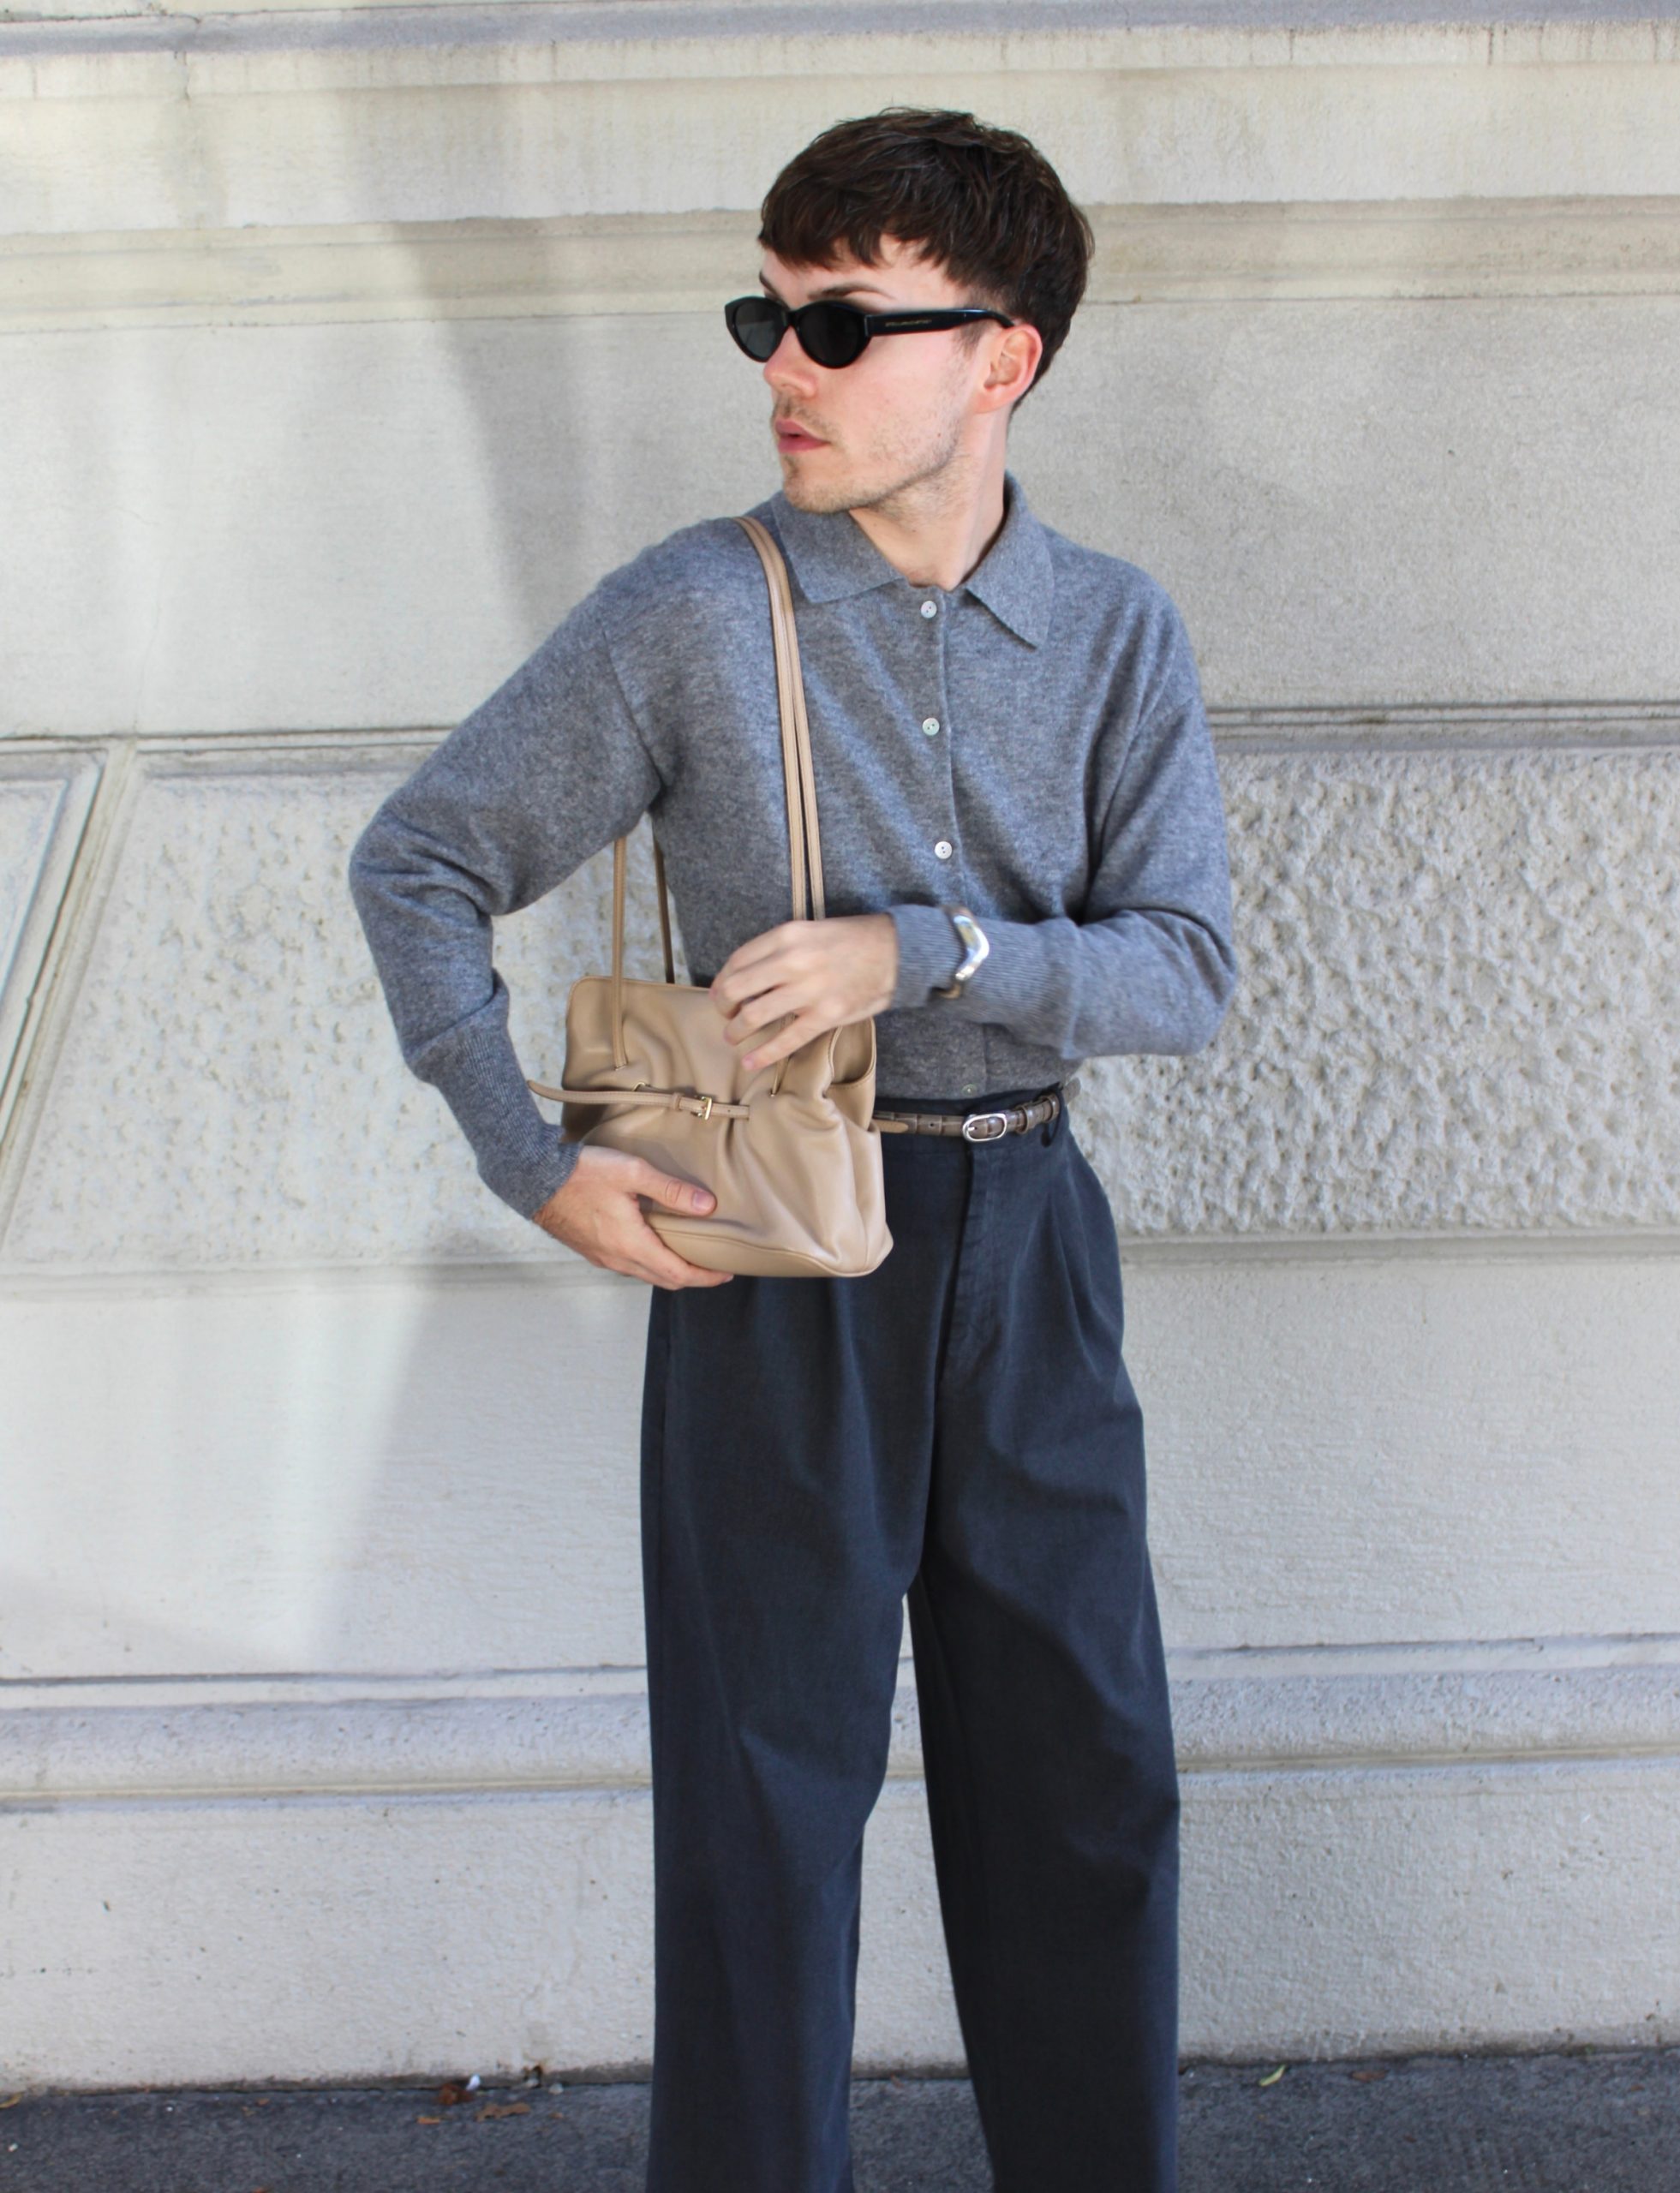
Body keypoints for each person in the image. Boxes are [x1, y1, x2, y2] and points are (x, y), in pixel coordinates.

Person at [350, 104, 1237, 2193]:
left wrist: (915, 952)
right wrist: (528, 1157)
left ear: (999, 357)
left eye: (843, 324)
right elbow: (422, 863)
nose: (784, 368)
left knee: (1083, 1785)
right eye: (770, 315)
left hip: (1028, 1240)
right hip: (774, 1257)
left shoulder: (1115, 632)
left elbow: (1182, 971)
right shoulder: (688, 610)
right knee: (765, 1809)